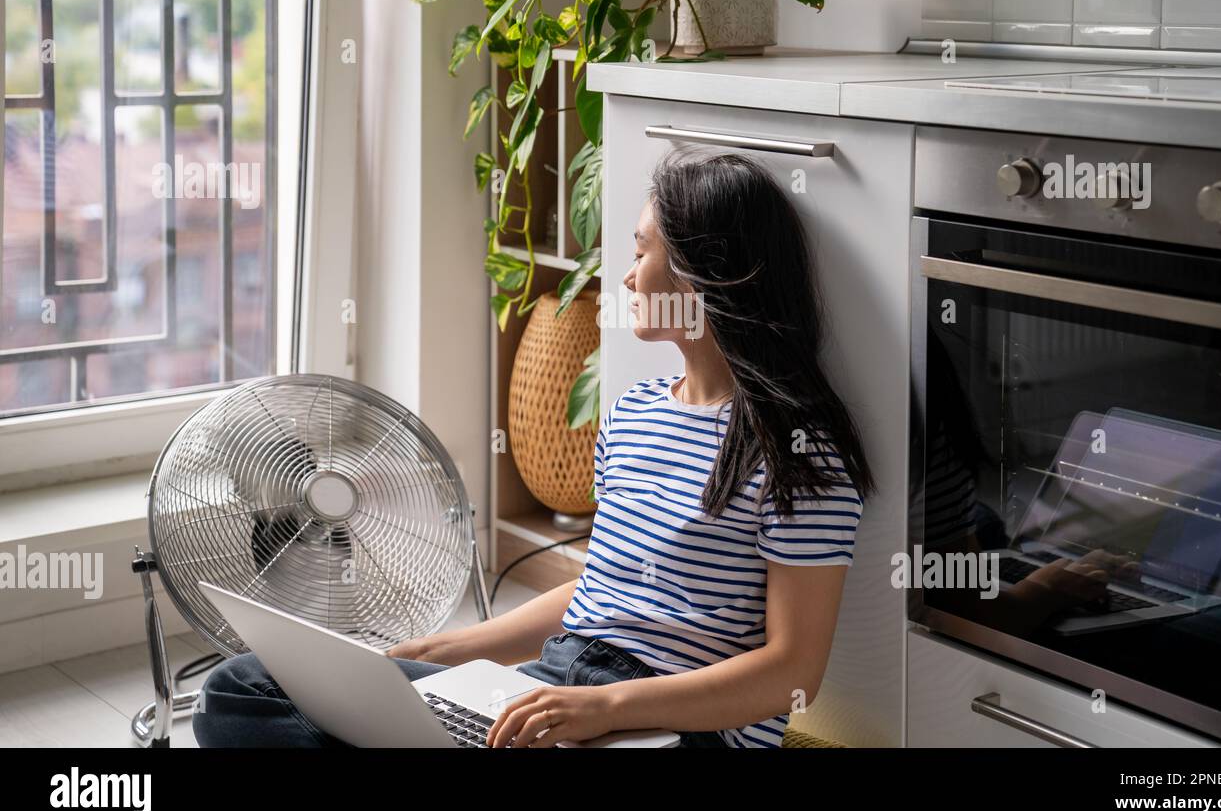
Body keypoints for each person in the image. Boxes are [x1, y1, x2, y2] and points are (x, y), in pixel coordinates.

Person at [193, 152, 873, 748]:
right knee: (240, 690)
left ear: (704, 273)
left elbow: (792, 674)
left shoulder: (797, 452)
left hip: (671, 729)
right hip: (557, 684)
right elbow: (601, 589)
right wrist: (437, 652)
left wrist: (604, 706)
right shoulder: (634, 413)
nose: (629, 277)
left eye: (641, 251)